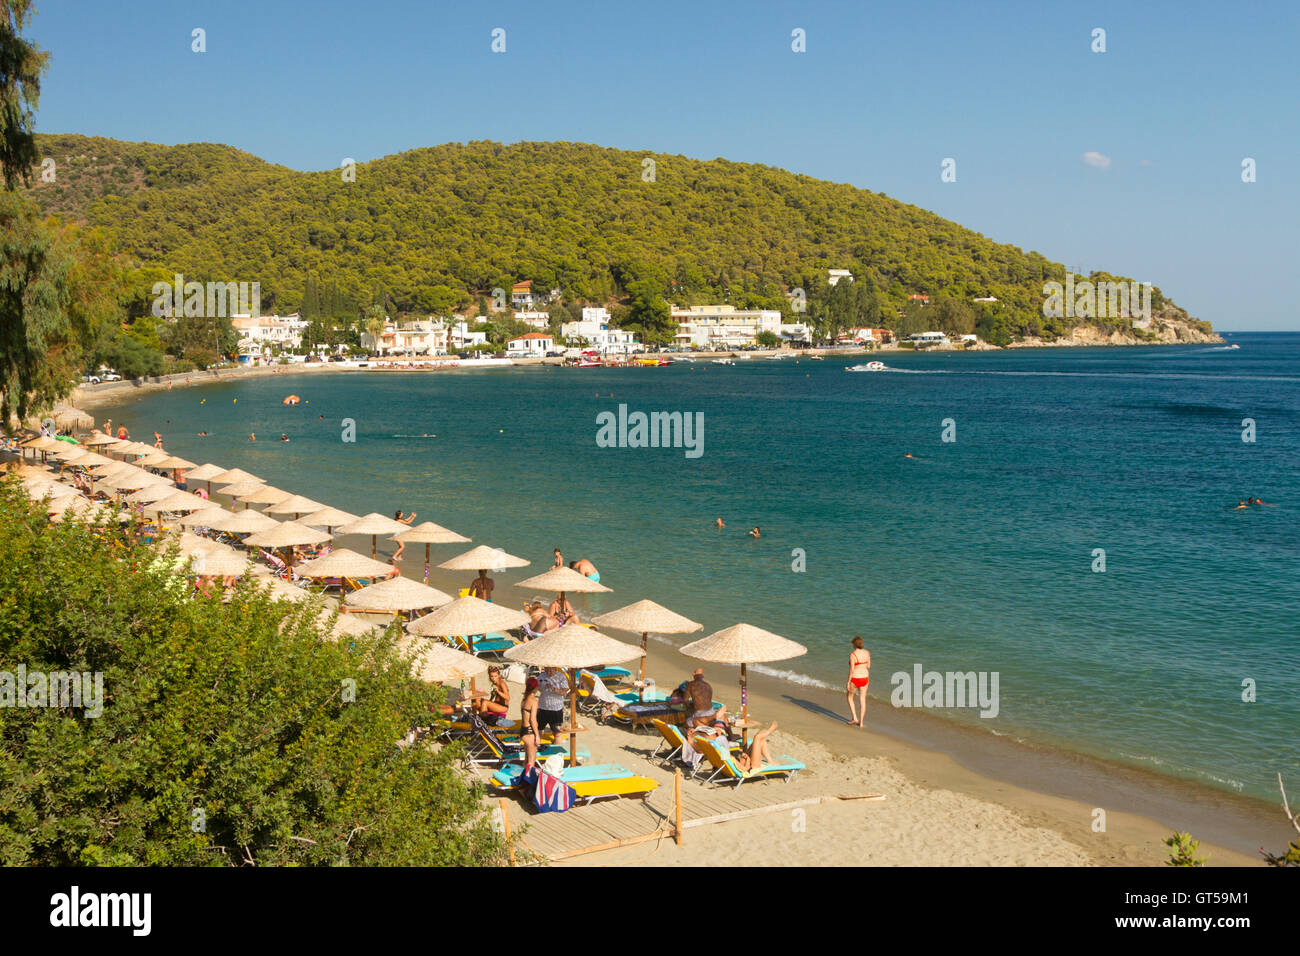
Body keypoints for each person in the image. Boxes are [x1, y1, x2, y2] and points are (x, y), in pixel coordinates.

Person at [537, 667, 569, 741]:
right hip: (543, 706)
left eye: (550, 670)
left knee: (557, 733)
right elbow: (537, 687)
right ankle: (537, 747)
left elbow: (564, 693)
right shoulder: (541, 676)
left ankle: (557, 750)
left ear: (555, 669)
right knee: (539, 729)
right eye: (547, 670)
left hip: (556, 708)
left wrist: (554, 689)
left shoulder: (561, 676)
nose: (548, 672)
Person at [847, 636, 871, 726]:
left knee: (850, 697)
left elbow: (852, 670)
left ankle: (855, 718)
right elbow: (868, 666)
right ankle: (861, 722)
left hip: (855, 678)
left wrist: (848, 682)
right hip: (865, 678)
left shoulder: (853, 655)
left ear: (854, 644)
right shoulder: (867, 653)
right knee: (862, 699)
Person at [519, 677, 542, 769]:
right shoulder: (533, 701)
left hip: (523, 731)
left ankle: (524, 779)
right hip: (530, 732)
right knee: (531, 762)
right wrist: (537, 736)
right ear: (536, 688)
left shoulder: (524, 699)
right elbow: (532, 720)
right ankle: (527, 782)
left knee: (526, 760)